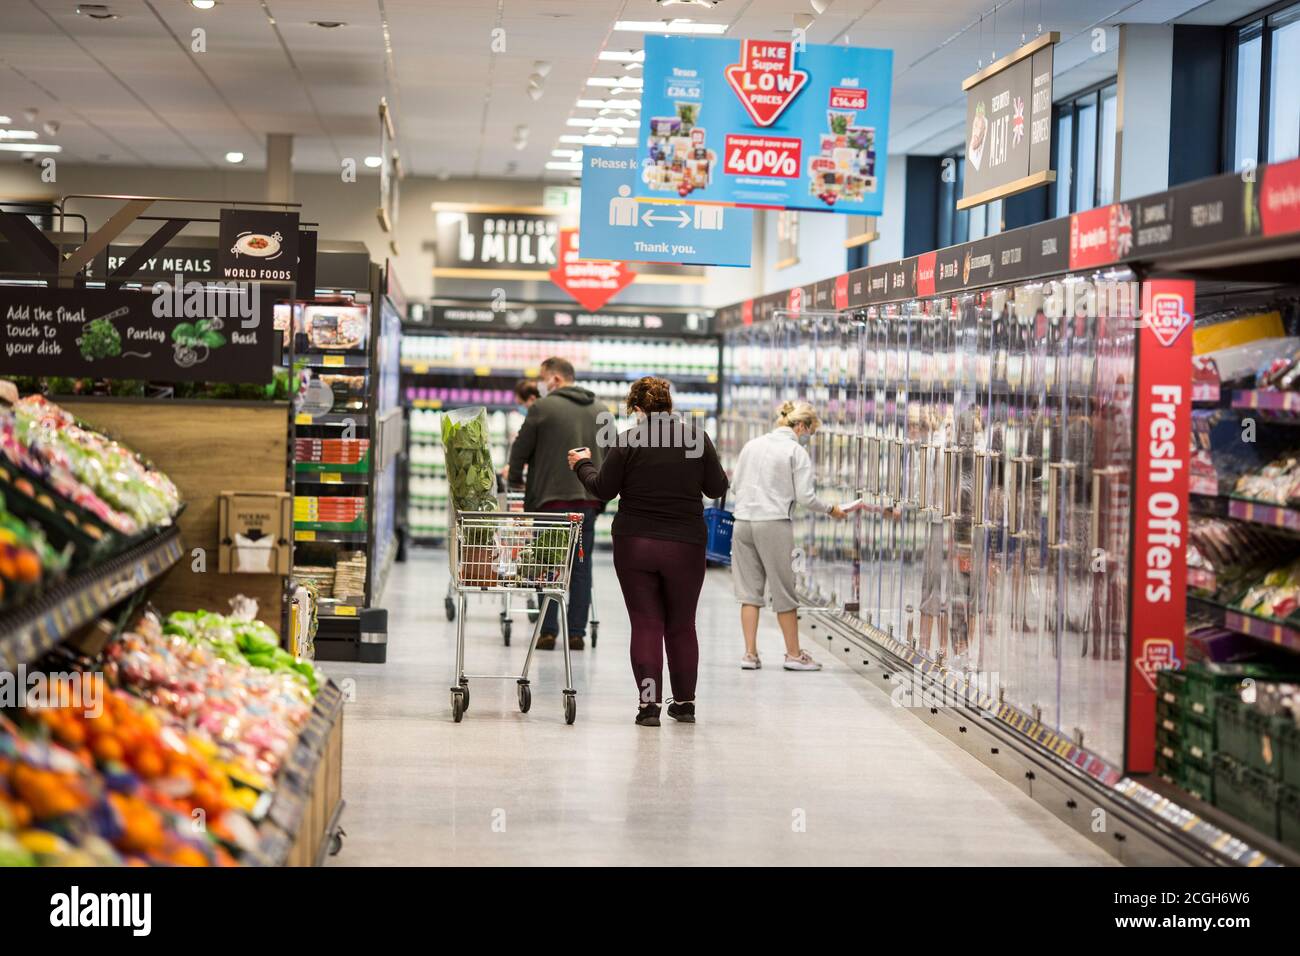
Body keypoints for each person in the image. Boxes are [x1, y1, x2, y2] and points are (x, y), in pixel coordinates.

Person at [568, 377, 728, 727]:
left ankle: (649, 706)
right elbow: (717, 486)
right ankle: (685, 703)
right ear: (669, 406)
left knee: (646, 623)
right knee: (682, 625)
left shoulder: (627, 441)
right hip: (686, 543)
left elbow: (603, 490)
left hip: (635, 542)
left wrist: (582, 464)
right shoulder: (696, 438)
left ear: (637, 409)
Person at [730, 400, 846, 672]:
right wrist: (832, 509)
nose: (809, 438)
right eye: (811, 432)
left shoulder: (752, 445)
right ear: (801, 426)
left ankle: (749, 654)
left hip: (743, 522)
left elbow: (735, 486)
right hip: (773, 524)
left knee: (749, 593)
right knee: (784, 590)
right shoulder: (795, 451)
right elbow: (805, 497)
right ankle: (793, 654)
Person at [508, 357, 603, 650]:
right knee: (581, 567)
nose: (540, 384)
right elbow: (612, 456)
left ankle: (548, 632)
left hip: (549, 503)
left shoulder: (541, 408)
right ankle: (576, 633)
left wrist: (514, 481)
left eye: (542, 378)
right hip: (587, 502)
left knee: (547, 566)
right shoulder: (602, 410)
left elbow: (519, 451)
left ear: (556, 380)